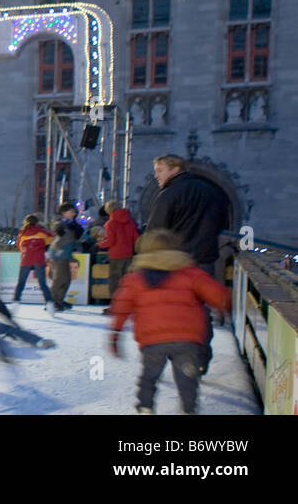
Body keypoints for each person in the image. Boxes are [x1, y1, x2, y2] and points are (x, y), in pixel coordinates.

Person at [109, 229, 230, 414]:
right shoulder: (191, 273)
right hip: (186, 339)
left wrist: (115, 334)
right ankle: (188, 409)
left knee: (149, 376)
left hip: (152, 339)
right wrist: (223, 307)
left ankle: (145, 407)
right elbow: (218, 295)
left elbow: (121, 307)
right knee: (187, 378)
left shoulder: (135, 278)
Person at [145, 154, 230, 372]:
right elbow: (223, 224)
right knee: (200, 311)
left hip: (175, 265)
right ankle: (201, 357)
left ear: (175, 169)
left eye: (160, 170)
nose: (156, 176)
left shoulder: (168, 195)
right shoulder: (212, 192)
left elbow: (155, 232)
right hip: (204, 262)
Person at [98, 201, 138, 314]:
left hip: (116, 256)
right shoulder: (131, 222)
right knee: (127, 282)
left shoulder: (110, 224)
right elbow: (136, 239)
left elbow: (110, 241)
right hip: (128, 255)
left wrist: (100, 244)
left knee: (115, 282)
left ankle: (115, 307)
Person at [47, 203, 83, 311]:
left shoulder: (73, 224)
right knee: (59, 279)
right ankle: (52, 302)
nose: (73, 213)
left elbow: (78, 235)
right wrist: (64, 226)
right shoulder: (59, 222)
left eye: (74, 211)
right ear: (63, 212)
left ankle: (59, 300)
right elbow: (56, 228)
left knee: (67, 279)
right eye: (70, 211)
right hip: (59, 254)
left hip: (66, 254)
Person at [12, 213, 54, 305]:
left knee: (21, 283)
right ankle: (49, 302)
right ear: (37, 222)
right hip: (38, 259)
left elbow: (19, 246)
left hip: (26, 260)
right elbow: (51, 240)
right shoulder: (42, 232)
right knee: (42, 284)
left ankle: (16, 301)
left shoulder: (22, 233)